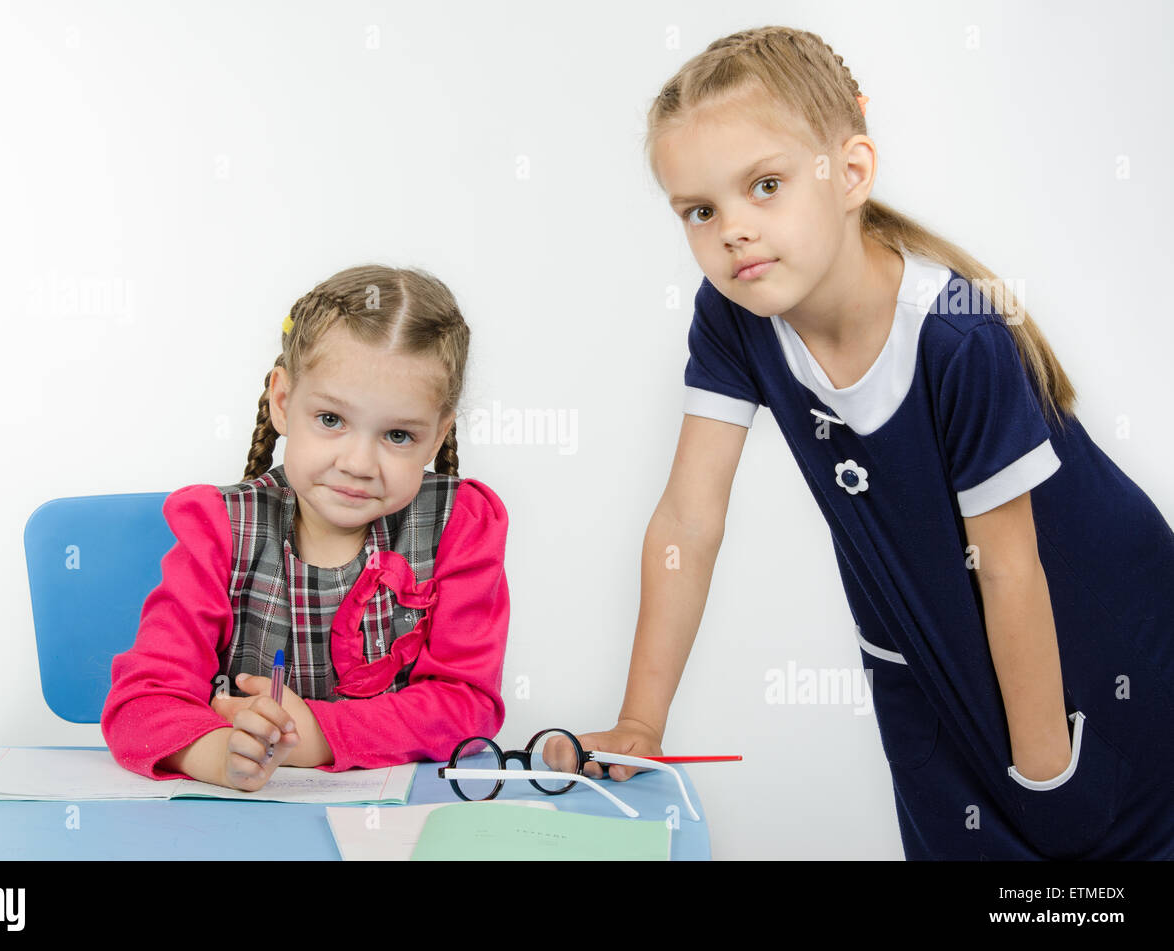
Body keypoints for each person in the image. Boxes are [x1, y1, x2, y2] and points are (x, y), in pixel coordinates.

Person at [576, 25, 1174, 859]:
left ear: (850, 173)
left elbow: (1009, 567)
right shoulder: (733, 318)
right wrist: (642, 718)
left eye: (766, 186)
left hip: (1086, 627)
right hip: (921, 639)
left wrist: (1045, 773)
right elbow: (687, 520)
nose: (733, 231)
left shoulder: (955, 336)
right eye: (701, 211)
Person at [102, 265, 510, 791]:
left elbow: (467, 707)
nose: (359, 463)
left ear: (437, 437)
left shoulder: (462, 525)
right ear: (283, 401)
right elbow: (140, 705)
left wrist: (314, 735)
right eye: (331, 420)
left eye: (399, 435)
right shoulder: (218, 529)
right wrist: (220, 753)